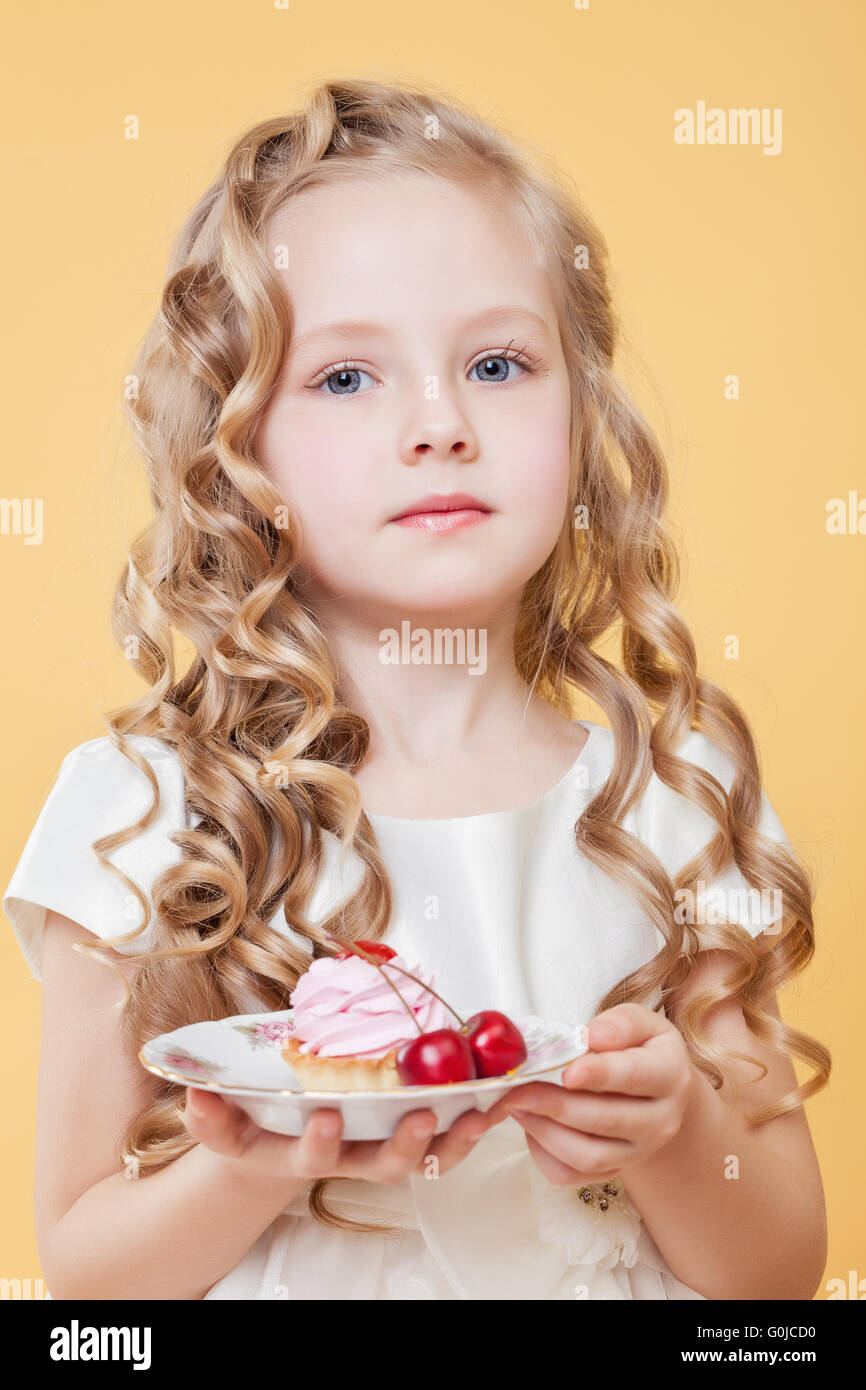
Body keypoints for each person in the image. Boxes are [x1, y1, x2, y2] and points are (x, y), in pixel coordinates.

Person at [3, 77, 829, 1300]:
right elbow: (83, 1277)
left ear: (581, 409)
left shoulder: (675, 793)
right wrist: (255, 1164)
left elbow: (775, 1277)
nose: (439, 423)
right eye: (345, 378)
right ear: (241, 455)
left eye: (497, 363)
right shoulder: (146, 811)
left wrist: (676, 1138)